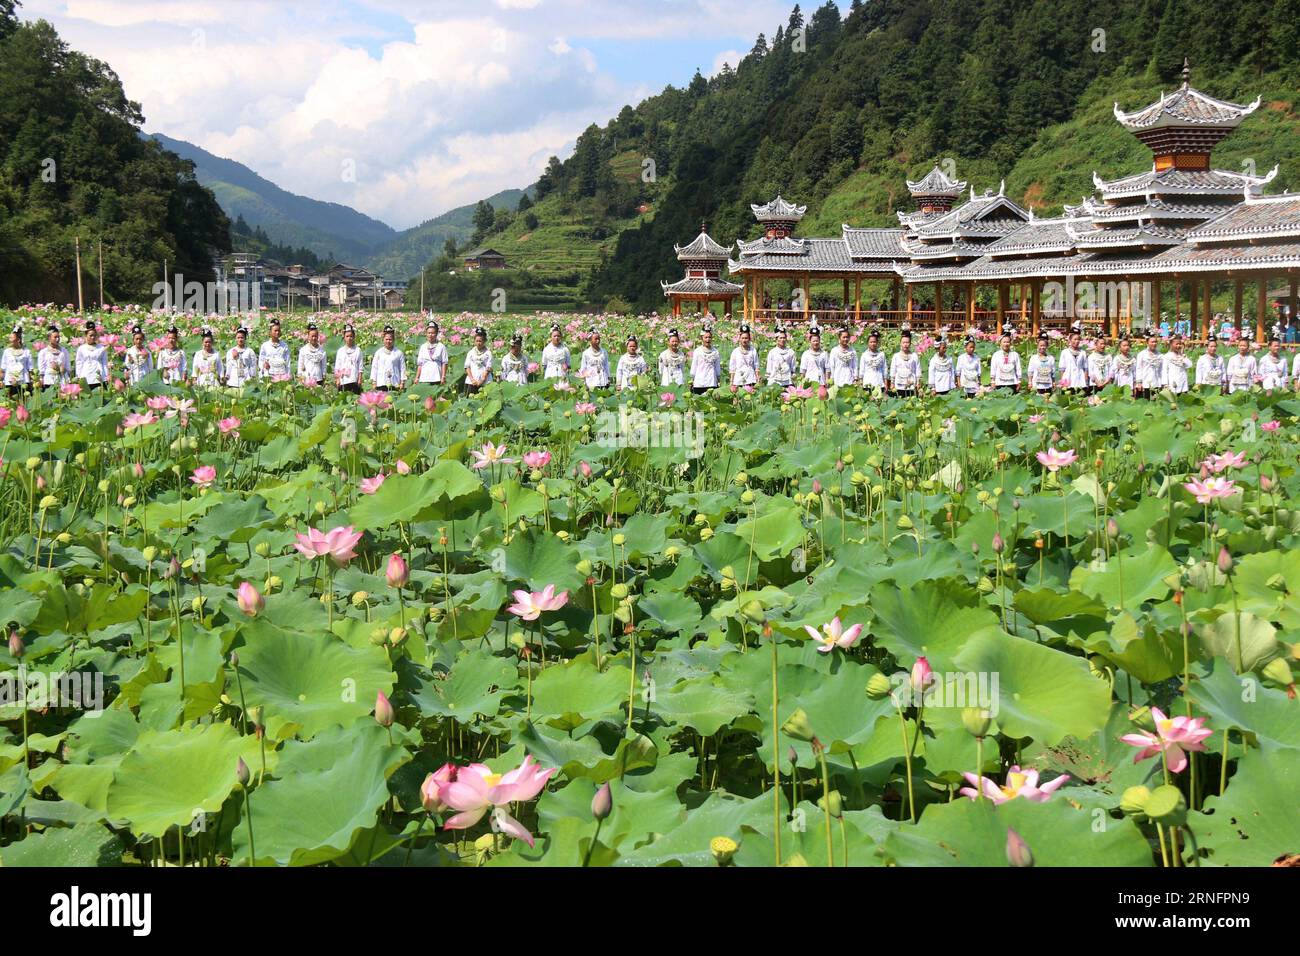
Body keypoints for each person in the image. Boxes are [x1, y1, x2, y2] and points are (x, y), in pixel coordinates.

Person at [370, 325, 406, 392]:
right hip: (381, 382)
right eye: (386, 339)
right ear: (383, 339)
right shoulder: (378, 353)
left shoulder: (399, 353)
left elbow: (402, 368)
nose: (388, 341)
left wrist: (402, 382)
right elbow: (374, 368)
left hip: (395, 382)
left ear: (393, 340)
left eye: (390, 339)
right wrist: (374, 382)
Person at [75, 321, 109, 389]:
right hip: (86, 376)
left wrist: (106, 376)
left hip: (99, 376)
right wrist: (78, 376)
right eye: (90, 335)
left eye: (94, 335)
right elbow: (79, 363)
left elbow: (104, 363)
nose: (93, 337)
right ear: (86, 335)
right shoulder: (81, 348)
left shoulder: (101, 348)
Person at [689, 326, 721, 395]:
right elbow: (694, 366)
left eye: (709, 337)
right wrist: (692, 380)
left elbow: (717, 367)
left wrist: (718, 380)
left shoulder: (715, 352)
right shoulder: (697, 351)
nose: (708, 339)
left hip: (712, 381)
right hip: (699, 382)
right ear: (701, 338)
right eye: (705, 337)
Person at [1, 326, 31, 398]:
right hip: (9, 381)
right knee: (11, 402)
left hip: (23, 381)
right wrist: (1, 380)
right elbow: (3, 368)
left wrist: (32, 382)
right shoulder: (7, 351)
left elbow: (30, 368)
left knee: (23, 402)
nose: (9, 340)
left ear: (18, 339)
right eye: (9, 338)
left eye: (11, 338)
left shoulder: (26, 351)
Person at [333, 325, 364, 394]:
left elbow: (360, 367)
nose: (349, 338)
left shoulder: (358, 350)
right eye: (347, 336)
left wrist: (359, 379)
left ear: (354, 337)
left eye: (351, 336)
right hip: (343, 380)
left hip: (354, 379)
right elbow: (337, 367)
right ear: (344, 337)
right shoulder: (340, 351)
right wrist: (337, 379)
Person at [889, 330, 921, 397]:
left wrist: (918, 383)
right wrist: (892, 383)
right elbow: (893, 371)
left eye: (907, 342)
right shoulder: (896, 356)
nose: (905, 344)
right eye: (903, 342)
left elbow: (918, 371)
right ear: (900, 343)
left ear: (910, 343)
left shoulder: (914, 356)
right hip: (899, 385)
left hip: (911, 385)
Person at [416, 321, 448, 385]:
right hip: (424, 377)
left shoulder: (441, 346)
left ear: (436, 334)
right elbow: (420, 364)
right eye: (429, 333)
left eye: (433, 333)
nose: (430, 335)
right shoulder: (423, 347)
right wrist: (417, 377)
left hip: (436, 376)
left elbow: (444, 363)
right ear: (426, 334)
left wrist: (443, 376)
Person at [463, 327, 493, 393]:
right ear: (474, 341)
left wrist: (482, 380)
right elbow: (467, 367)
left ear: (484, 341)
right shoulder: (470, 352)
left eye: (480, 341)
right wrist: (472, 379)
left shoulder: (488, 353)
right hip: (471, 381)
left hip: (485, 381)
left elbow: (488, 368)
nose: (478, 343)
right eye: (477, 341)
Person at [1134, 333, 1163, 398]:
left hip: (1157, 382)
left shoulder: (1160, 355)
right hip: (1145, 382)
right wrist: (1139, 382)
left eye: (1155, 342)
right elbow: (1139, 369)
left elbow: (1161, 370)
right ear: (1147, 343)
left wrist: (1163, 383)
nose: (1154, 344)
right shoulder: (1141, 354)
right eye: (1152, 342)